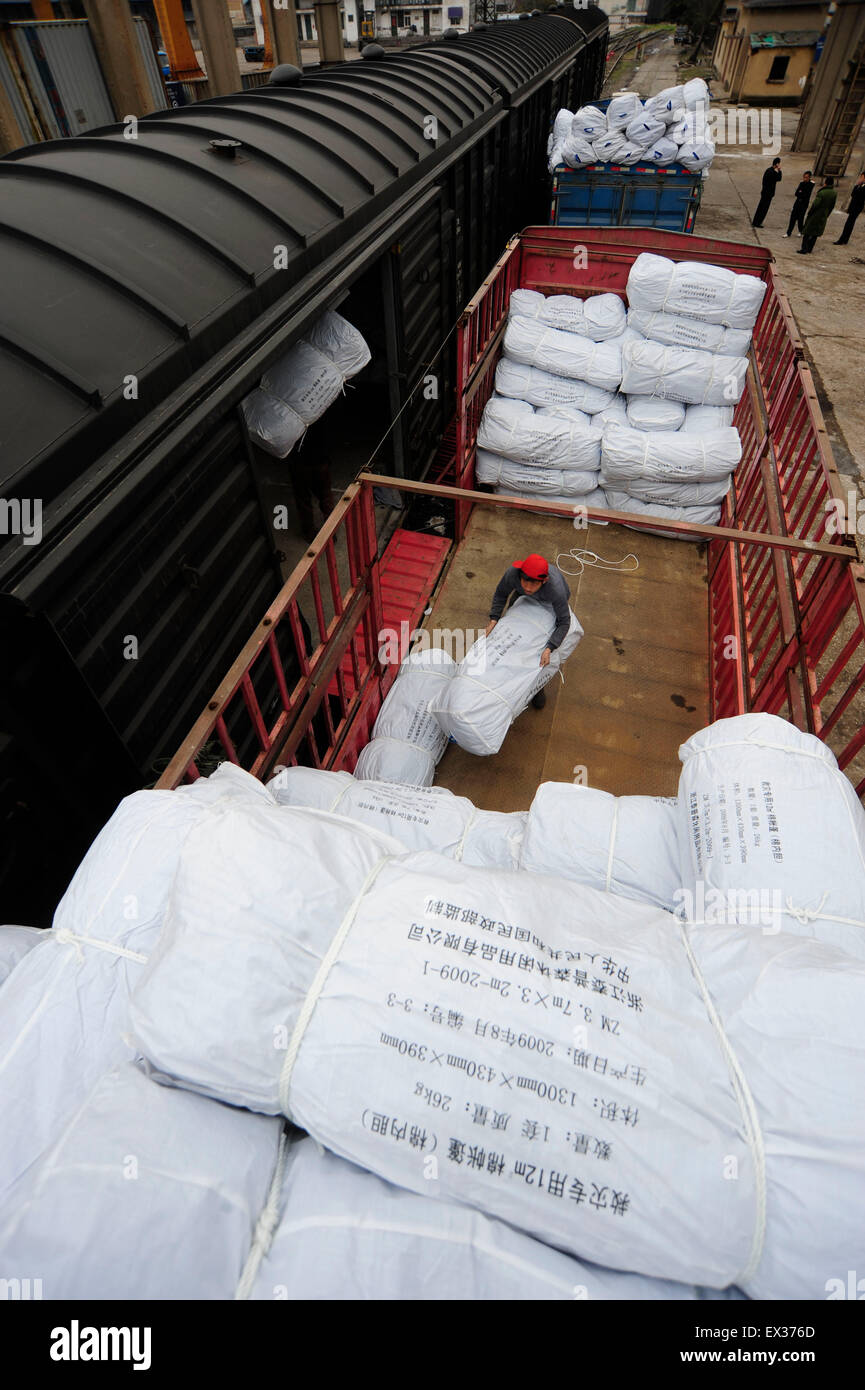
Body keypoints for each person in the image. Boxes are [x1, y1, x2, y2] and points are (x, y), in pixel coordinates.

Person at [485, 553, 571, 710]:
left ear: (543, 581)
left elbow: (564, 622)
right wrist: (494, 619)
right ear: (520, 575)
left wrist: (549, 647)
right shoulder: (513, 575)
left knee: (536, 654)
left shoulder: (556, 590)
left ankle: (536, 689)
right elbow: (501, 594)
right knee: (513, 633)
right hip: (523, 598)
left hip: (549, 605)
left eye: (533, 584)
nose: (528, 587)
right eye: (525, 581)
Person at [289, 421, 336, 542]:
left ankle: (309, 532)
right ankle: (331, 531)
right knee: (325, 495)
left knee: (303, 498)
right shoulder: (318, 412)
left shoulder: (290, 421)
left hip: (299, 462)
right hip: (320, 460)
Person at [797, 178, 836, 254]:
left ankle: (804, 249)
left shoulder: (822, 193)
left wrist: (810, 212)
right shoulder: (834, 193)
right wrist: (826, 214)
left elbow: (815, 204)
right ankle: (810, 249)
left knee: (807, 232)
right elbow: (832, 206)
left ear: (825, 183)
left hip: (815, 215)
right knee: (815, 234)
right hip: (823, 215)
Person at [834, 171, 865, 245]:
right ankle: (845, 239)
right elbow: (853, 193)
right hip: (854, 206)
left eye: (862, 177)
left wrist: (858, 187)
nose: (860, 178)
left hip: (857, 207)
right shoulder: (860, 185)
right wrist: (857, 185)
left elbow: (858, 196)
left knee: (849, 224)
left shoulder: (863, 187)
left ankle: (842, 239)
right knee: (849, 223)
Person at [752, 158, 782, 227]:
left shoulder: (769, 170)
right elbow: (779, 178)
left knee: (761, 208)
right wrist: (779, 170)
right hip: (768, 194)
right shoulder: (772, 172)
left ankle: (756, 221)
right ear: (777, 164)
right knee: (763, 209)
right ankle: (758, 222)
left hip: (765, 193)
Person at [785, 171, 814, 236]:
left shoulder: (811, 184)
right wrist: (801, 192)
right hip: (797, 203)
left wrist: (801, 192)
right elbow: (796, 193)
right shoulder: (801, 183)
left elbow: (806, 194)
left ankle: (801, 231)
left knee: (800, 218)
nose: (805, 179)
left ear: (809, 177)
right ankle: (788, 232)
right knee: (793, 217)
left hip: (804, 204)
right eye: (804, 177)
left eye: (806, 177)